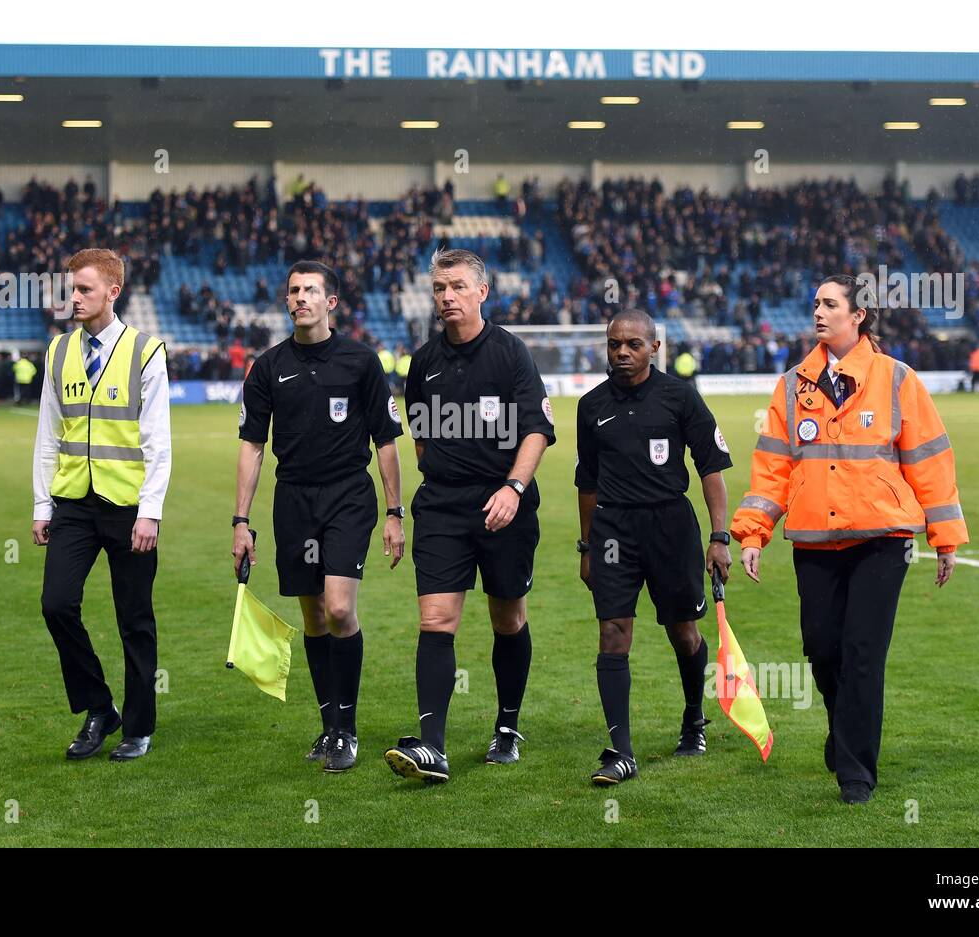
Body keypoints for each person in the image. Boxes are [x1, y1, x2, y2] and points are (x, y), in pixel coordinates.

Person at [731, 274, 968, 805]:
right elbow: (772, 465)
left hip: (883, 539)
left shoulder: (897, 379)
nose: (818, 311)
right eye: (815, 302)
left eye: (830, 303)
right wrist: (753, 531)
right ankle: (844, 732)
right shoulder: (793, 385)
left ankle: (856, 770)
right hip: (814, 540)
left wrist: (944, 535)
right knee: (822, 649)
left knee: (863, 652)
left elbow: (929, 460)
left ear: (858, 315)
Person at [384, 248, 555, 784]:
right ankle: (432, 747)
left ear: (483, 292)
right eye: (439, 288)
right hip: (441, 507)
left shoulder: (511, 354)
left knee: (508, 618)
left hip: (505, 505)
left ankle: (507, 727)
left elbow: (538, 430)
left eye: (457, 286)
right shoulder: (423, 362)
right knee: (436, 620)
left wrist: (512, 486)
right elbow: (420, 435)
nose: (447, 296)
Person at [232, 261, 405, 773]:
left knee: (338, 610)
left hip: (349, 496)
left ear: (332, 302)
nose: (300, 297)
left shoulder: (360, 361)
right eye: (293, 291)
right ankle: (328, 725)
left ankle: (347, 730)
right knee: (312, 616)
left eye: (311, 290)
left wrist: (395, 512)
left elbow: (387, 442)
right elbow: (251, 447)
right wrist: (240, 522)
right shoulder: (268, 367)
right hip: (294, 500)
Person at [575, 311, 733, 785]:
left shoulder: (680, 397)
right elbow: (587, 481)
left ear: (655, 348)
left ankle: (693, 718)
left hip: (671, 526)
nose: (622, 353)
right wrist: (586, 545)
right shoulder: (591, 405)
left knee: (683, 632)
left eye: (633, 345)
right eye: (614, 344)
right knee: (613, 631)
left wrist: (719, 536)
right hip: (612, 532)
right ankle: (620, 749)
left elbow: (711, 468)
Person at [32, 248, 171, 762]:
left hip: (128, 507)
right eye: (72, 288)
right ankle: (99, 707)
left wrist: (150, 510)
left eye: (84, 289)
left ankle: (137, 727)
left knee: (134, 618)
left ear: (113, 293)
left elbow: (159, 440)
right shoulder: (57, 351)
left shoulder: (145, 352)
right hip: (73, 504)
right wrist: (41, 505)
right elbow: (48, 435)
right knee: (56, 604)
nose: (74, 298)